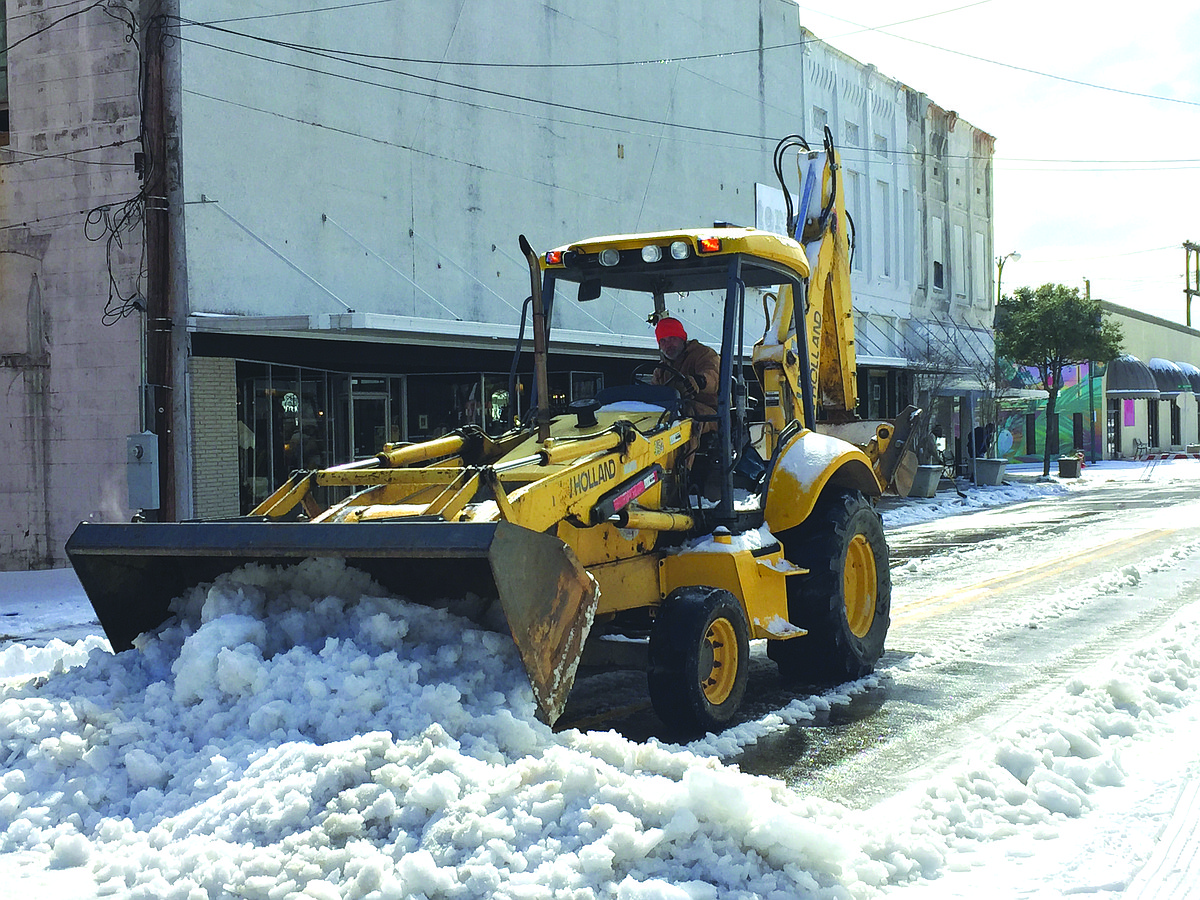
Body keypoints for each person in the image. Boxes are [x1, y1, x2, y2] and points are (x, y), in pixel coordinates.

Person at [649, 317, 720, 428]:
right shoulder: (661, 370)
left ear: (682, 338)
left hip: (711, 414)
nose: (668, 344)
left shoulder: (703, 354)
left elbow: (714, 377)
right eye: (663, 341)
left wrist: (699, 381)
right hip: (672, 411)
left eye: (672, 338)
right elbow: (653, 394)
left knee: (683, 413)